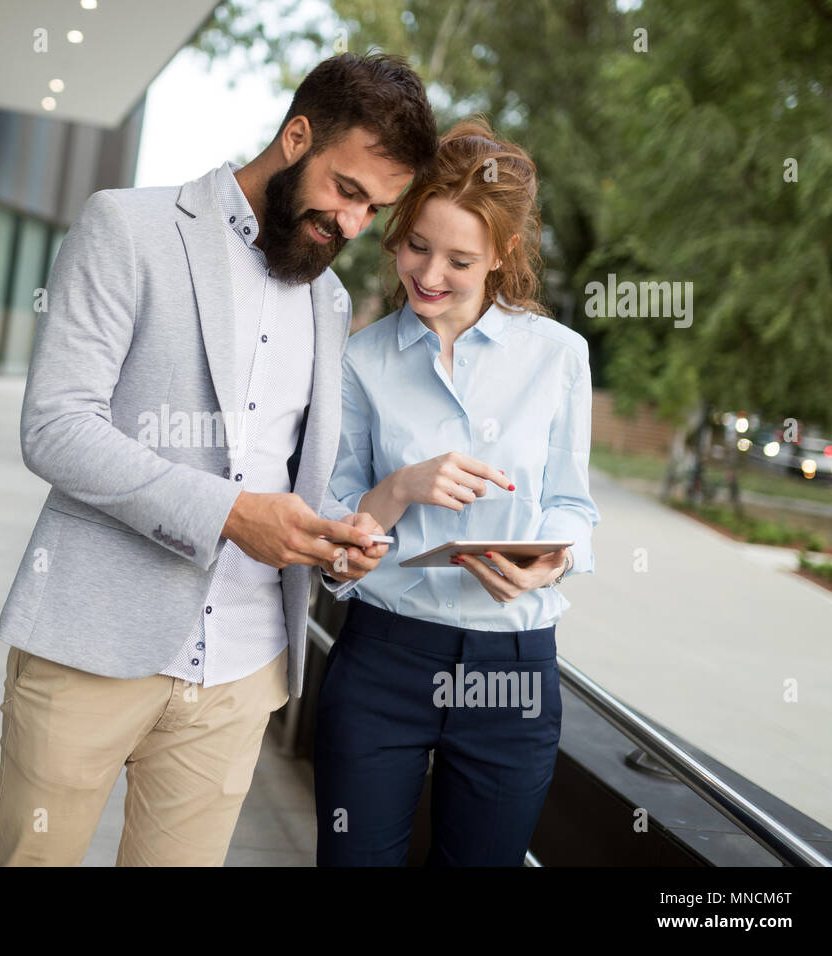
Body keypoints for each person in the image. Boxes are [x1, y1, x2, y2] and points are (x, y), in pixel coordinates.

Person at [0, 53, 437, 866]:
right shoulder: (128, 227)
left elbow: (293, 472)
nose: (354, 225)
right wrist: (230, 516)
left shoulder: (331, 301)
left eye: (377, 208)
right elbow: (55, 426)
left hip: (241, 669)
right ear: (297, 137)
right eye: (346, 190)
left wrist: (336, 539)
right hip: (91, 644)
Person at [314, 118, 600, 866]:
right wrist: (403, 486)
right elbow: (336, 541)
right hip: (384, 660)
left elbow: (573, 504)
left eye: (460, 259)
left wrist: (556, 561)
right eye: (417, 245)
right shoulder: (361, 361)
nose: (429, 275)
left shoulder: (559, 358)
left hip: (513, 671)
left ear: (502, 255)